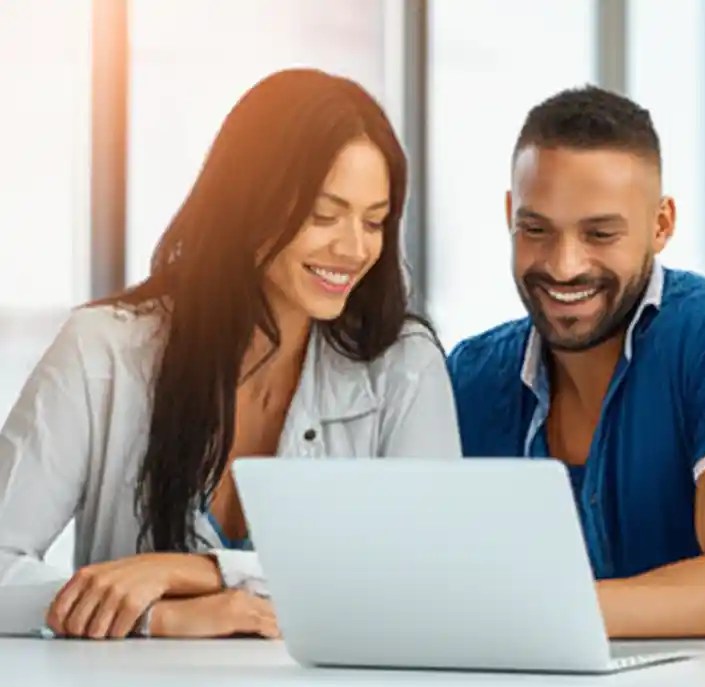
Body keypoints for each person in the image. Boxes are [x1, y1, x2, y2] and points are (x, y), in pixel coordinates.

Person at [0, 69, 461, 640]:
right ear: (249, 203)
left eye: (374, 221)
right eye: (324, 215)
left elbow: (426, 577)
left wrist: (200, 571)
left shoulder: (404, 366)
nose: (354, 248)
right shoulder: (102, 351)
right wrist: (156, 617)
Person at [447, 86, 705, 638]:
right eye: (536, 229)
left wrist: (525, 611)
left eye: (600, 234)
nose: (564, 266)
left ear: (661, 224)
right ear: (509, 215)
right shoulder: (469, 376)